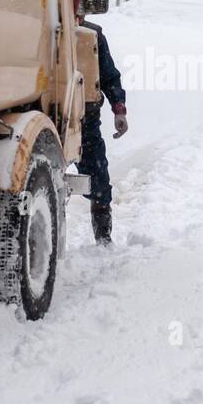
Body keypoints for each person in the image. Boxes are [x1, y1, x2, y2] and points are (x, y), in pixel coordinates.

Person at [79, 18, 127, 244]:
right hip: (49, 119)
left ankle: (103, 237)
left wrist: (119, 109)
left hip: (86, 123)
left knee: (99, 181)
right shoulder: (39, 28)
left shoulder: (92, 35)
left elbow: (109, 76)